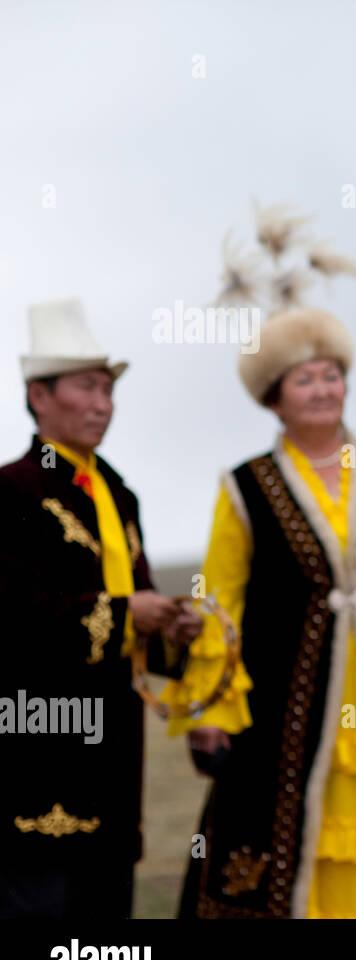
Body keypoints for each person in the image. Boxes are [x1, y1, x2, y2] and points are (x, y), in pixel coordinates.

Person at [166, 306, 356, 918]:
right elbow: (220, 601)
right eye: (305, 380)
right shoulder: (245, 485)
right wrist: (211, 708)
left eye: (332, 375)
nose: (323, 390)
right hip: (280, 701)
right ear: (274, 399)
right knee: (272, 833)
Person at [0, 298, 199, 918]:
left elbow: (131, 612)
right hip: (37, 747)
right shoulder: (11, 491)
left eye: (108, 389)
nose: (103, 403)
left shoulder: (118, 494)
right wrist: (121, 613)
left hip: (114, 754)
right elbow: (12, 623)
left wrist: (171, 628)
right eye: (87, 387)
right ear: (39, 395)